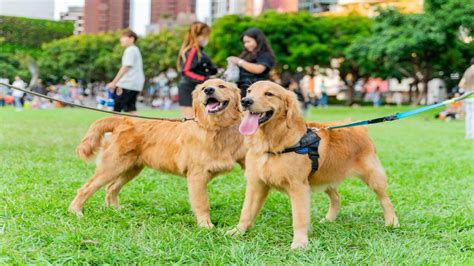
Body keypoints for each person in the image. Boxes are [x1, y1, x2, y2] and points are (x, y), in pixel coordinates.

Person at [177, 21, 217, 119]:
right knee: (190, 121)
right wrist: (206, 78)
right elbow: (187, 71)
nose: (207, 38)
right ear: (198, 36)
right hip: (189, 89)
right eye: (205, 36)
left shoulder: (200, 51)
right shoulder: (193, 51)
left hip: (198, 89)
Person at [228, 28, 275, 98]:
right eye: (244, 42)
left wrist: (239, 61)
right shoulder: (246, 54)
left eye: (248, 42)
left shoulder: (265, 55)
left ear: (258, 40)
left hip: (257, 91)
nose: (246, 45)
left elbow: (259, 69)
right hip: (242, 89)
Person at [106, 29, 145, 114]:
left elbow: (125, 67)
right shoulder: (135, 50)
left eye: (124, 37)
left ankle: (114, 127)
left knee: (116, 109)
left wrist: (114, 82)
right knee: (131, 109)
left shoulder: (130, 50)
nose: (121, 39)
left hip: (127, 84)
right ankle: (138, 127)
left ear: (131, 39)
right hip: (135, 85)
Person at [459, 58, 474, 139]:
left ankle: (469, 134)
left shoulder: (467, 71)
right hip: (473, 95)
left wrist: (468, 89)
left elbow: (461, 84)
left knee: (469, 116)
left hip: (467, 95)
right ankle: (472, 135)